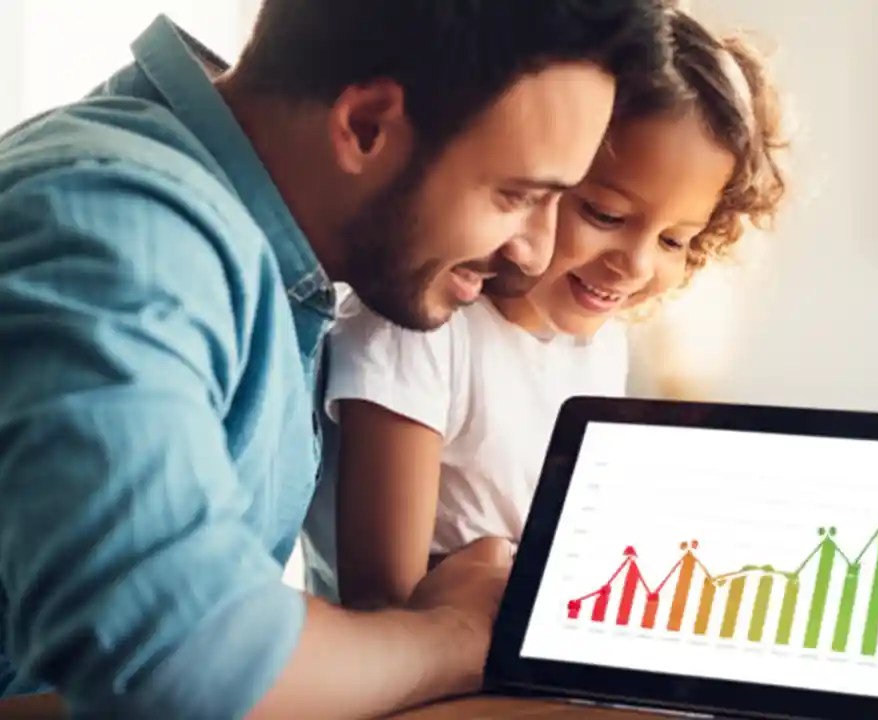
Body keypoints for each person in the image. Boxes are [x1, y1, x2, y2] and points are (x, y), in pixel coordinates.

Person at [0, 1, 675, 717]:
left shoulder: (245, 241)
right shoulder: (129, 237)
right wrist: (452, 636)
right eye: (517, 196)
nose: (531, 251)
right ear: (364, 126)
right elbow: (181, 665)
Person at [303, 10, 788, 610]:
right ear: (540, 182)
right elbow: (382, 603)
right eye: (605, 215)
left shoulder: (595, 343)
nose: (635, 266)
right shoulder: (419, 327)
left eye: (673, 240)